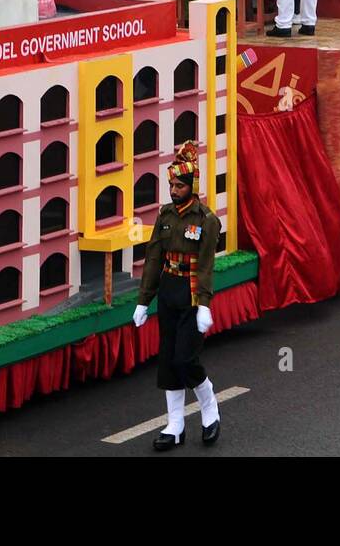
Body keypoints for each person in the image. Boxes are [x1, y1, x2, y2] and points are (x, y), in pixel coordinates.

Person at [133, 141, 223, 451]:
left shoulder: (206, 220)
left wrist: (204, 305)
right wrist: (144, 299)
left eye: (179, 186)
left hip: (192, 294)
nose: (173, 190)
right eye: (171, 184)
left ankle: (209, 408)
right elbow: (154, 256)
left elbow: (207, 264)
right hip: (169, 291)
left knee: (186, 358)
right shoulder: (165, 215)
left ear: (192, 186)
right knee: (168, 361)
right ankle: (175, 424)